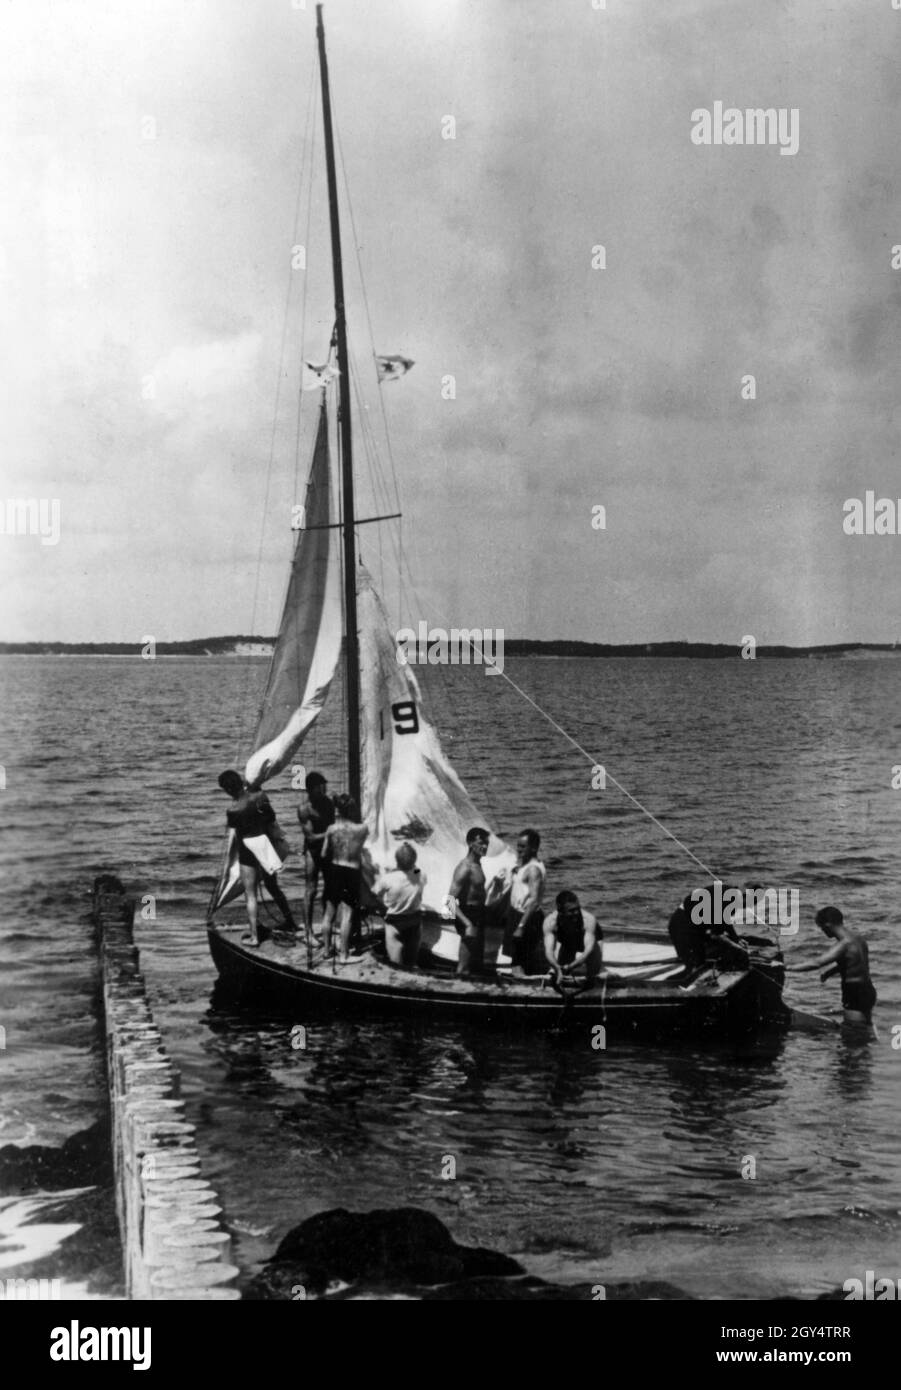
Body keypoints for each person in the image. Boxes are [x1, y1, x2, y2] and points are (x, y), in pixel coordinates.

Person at [218, 769, 298, 946]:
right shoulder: (260, 797)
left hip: (247, 849)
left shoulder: (233, 810)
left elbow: (237, 835)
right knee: (273, 886)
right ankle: (290, 921)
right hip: (265, 845)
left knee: (251, 894)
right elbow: (271, 818)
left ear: (227, 790)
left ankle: (255, 936)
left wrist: (228, 865)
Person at [788, 906, 877, 1027]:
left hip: (853, 991)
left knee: (852, 1033)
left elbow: (817, 963)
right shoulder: (858, 939)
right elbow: (853, 963)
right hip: (868, 989)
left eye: (821, 928)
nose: (822, 931)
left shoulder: (843, 944)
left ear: (827, 925)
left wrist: (787, 968)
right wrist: (829, 973)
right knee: (865, 1027)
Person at [320, 793, 368, 963]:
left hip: (334, 870)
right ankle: (344, 955)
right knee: (347, 915)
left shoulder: (331, 829)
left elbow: (324, 853)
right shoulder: (362, 829)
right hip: (351, 872)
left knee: (329, 913)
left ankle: (326, 951)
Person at [667, 883, 748, 971]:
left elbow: (724, 920)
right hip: (681, 926)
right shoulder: (728, 899)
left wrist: (736, 938)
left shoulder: (731, 893)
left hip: (695, 924)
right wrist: (738, 947)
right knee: (695, 965)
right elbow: (717, 933)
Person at [500, 829, 546, 976]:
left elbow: (533, 900)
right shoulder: (526, 866)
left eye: (522, 847)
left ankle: (522, 989)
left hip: (524, 917)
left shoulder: (533, 870)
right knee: (519, 959)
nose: (518, 850)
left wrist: (520, 926)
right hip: (516, 914)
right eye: (518, 846)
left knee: (517, 961)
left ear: (534, 848)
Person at [297, 772, 334, 941]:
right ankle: (308, 933)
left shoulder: (328, 803)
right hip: (312, 851)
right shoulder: (304, 809)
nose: (324, 789)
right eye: (320, 787)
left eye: (324, 786)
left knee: (329, 888)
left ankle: (327, 926)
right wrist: (331, 833)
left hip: (328, 849)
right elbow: (311, 837)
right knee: (311, 890)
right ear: (311, 789)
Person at [448, 827, 490, 978]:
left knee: (476, 963)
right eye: (481, 843)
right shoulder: (464, 868)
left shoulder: (477, 864)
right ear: (470, 843)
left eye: (487, 843)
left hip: (478, 915)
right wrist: (467, 924)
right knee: (464, 966)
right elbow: (449, 902)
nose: (485, 846)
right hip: (469, 917)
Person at [377, 843, 426, 970]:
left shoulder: (387, 879)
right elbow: (416, 869)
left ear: (396, 861)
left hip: (394, 922)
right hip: (414, 921)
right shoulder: (420, 875)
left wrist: (383, 910)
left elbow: (374, 896)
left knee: (396, 967)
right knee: (412, 964)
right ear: (414, 860)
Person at [542, 890, 603, 985]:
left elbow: (587, 952)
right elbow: (549, 952)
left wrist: (571, 966)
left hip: (591, 943)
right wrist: (556, 967)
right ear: (560, 911)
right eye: (571, 911)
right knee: (562, 974)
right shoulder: (550, 922)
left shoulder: (588, 920)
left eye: (578, 908)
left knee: (593, 976)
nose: (576, 912)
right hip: (568, 942)